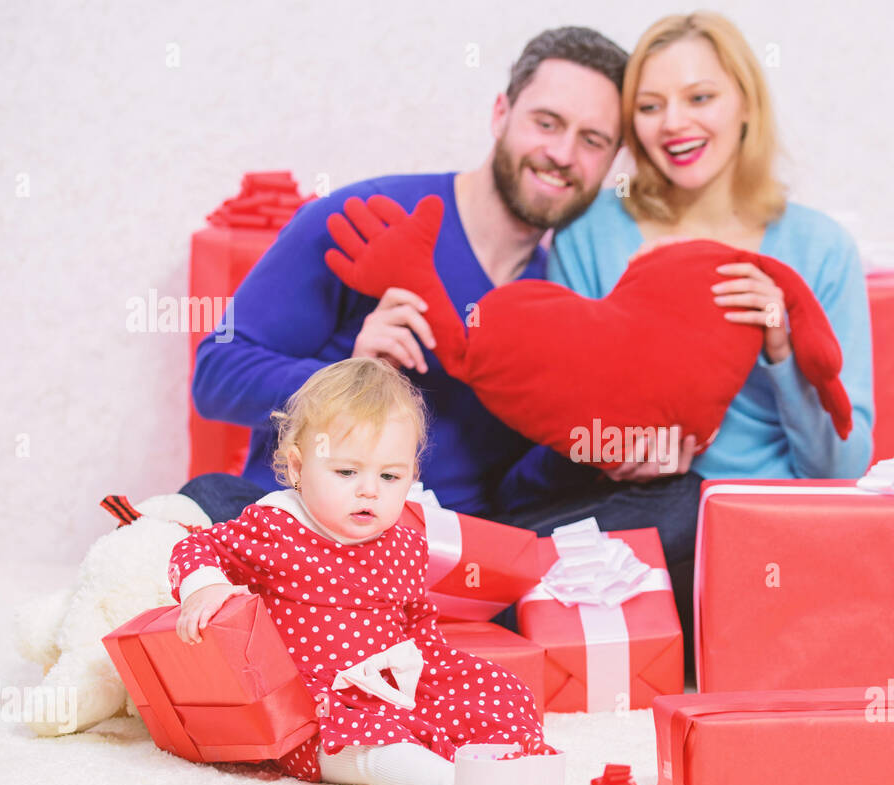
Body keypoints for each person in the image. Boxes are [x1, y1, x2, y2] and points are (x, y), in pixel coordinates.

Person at [486, 12, 876, 671]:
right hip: (618, 505)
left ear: (745, 103)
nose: (674, 124)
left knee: (700, 509)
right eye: (650, 105)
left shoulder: (818, 247)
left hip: (750, 528)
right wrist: (616, 447)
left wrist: (780, 349)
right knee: (540, 510)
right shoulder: (591, 235)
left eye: (700, 97)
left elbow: (840, 469)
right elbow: (562, 403)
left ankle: (498, 593)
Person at [182, 26, 630, 525]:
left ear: (613, 159)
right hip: (304, 534)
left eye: (592, 140)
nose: (563, 154)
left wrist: (594, 448)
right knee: (206, 500)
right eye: (547, 123)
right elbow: (216, 375)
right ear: (500, 114)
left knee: (664, 504)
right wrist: (344, 379)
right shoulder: (367, 218)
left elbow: (515, 488)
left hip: (450, 565)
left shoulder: (563, 301)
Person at [170, 358, 556, 785]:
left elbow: (417, 627)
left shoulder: (404, 544)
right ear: (298, 467)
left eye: (390, 476)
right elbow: (197, 547)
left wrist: (438, 677)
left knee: (501, 690)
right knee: (375, 742)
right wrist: (205, 586)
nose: (369, 490)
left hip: (389, 681)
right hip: (314, 701)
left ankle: (504, 759)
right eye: (347, 472)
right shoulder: (277, 525)